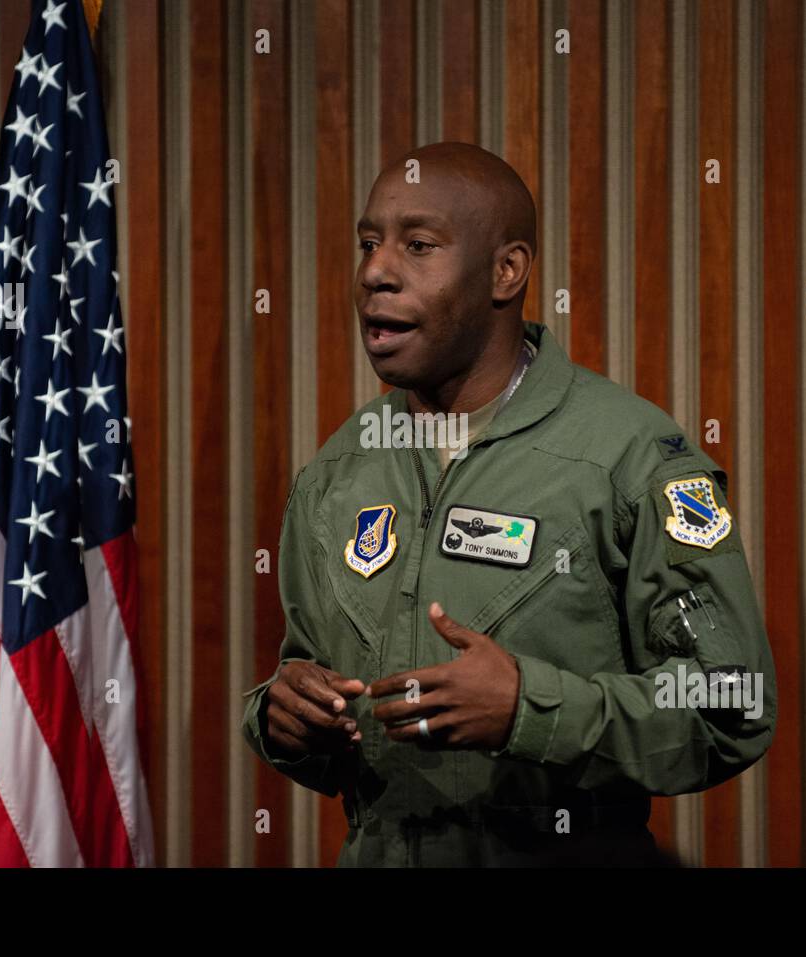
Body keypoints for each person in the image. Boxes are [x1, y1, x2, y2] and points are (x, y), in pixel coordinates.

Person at [241, 141, 776, 866]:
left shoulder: (631, 459)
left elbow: (732, 705)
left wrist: (532, 707)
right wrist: (284, 717)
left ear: (506, 270)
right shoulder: (337, 474)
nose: (374, 272)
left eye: (418, 245)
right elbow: (316, 699)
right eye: (368, 243)